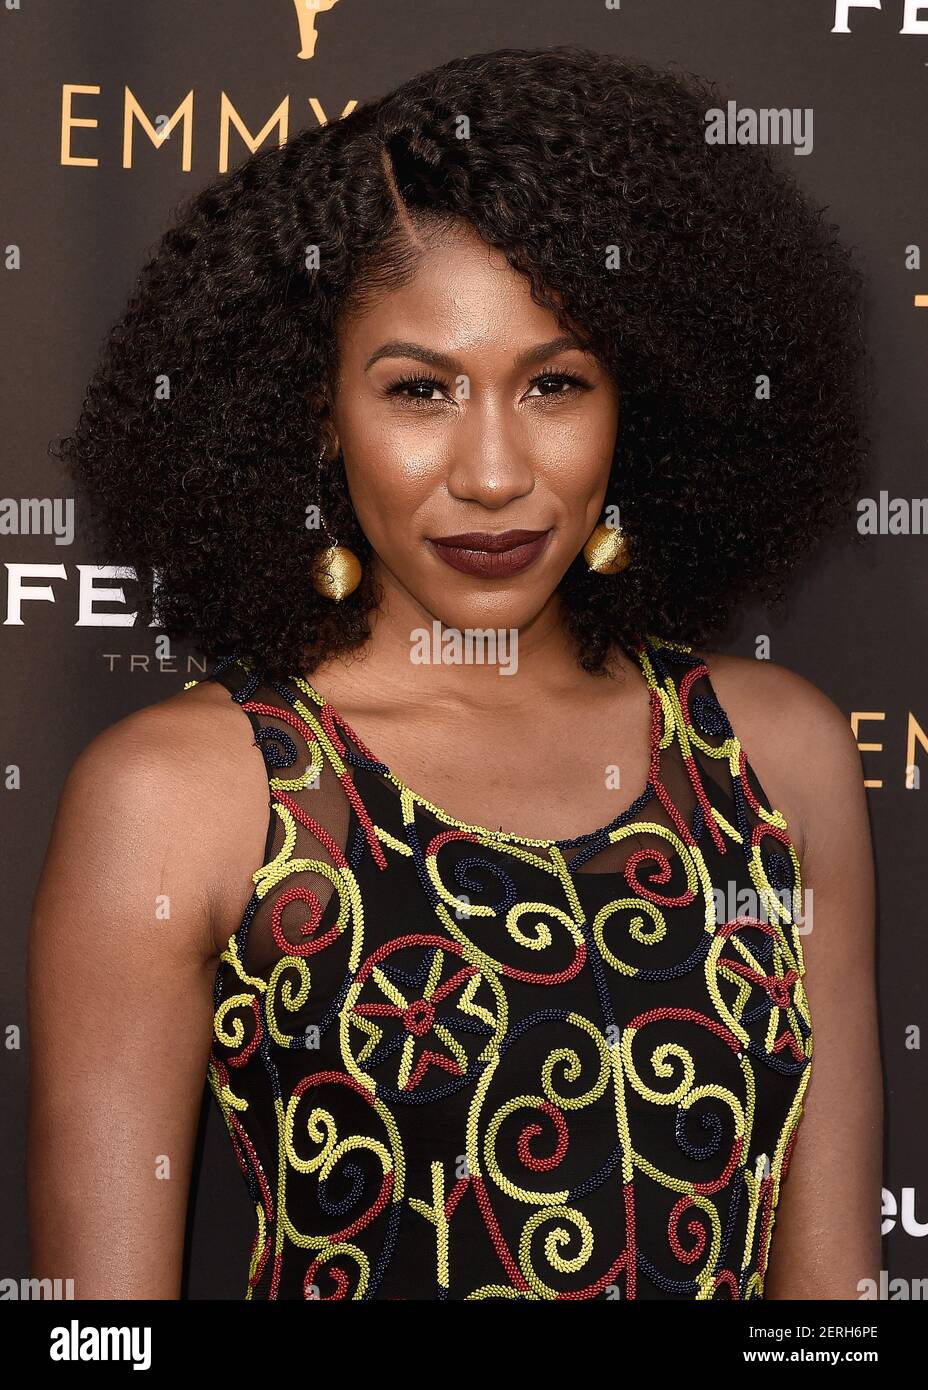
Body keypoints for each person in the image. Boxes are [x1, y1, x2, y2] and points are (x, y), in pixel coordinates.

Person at [28, 45, 882, 1300]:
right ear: (318, 411)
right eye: (420, 389)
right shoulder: (184, 792)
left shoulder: (774, 761)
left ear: (631, 400)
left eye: (553, 383)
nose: (492, 471)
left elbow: (830, 1316)